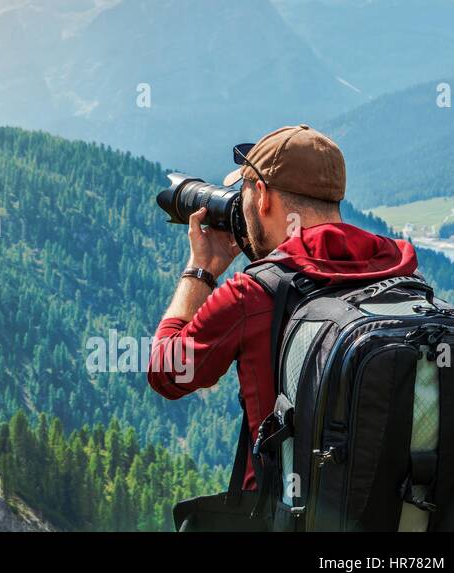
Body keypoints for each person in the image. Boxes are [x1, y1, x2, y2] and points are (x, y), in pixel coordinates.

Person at [146, 124, 417, 488]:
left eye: (240, 195)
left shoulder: (255, 294)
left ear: (262, 196)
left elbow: (166, 371)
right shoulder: (395, 271)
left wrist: (200, 271)